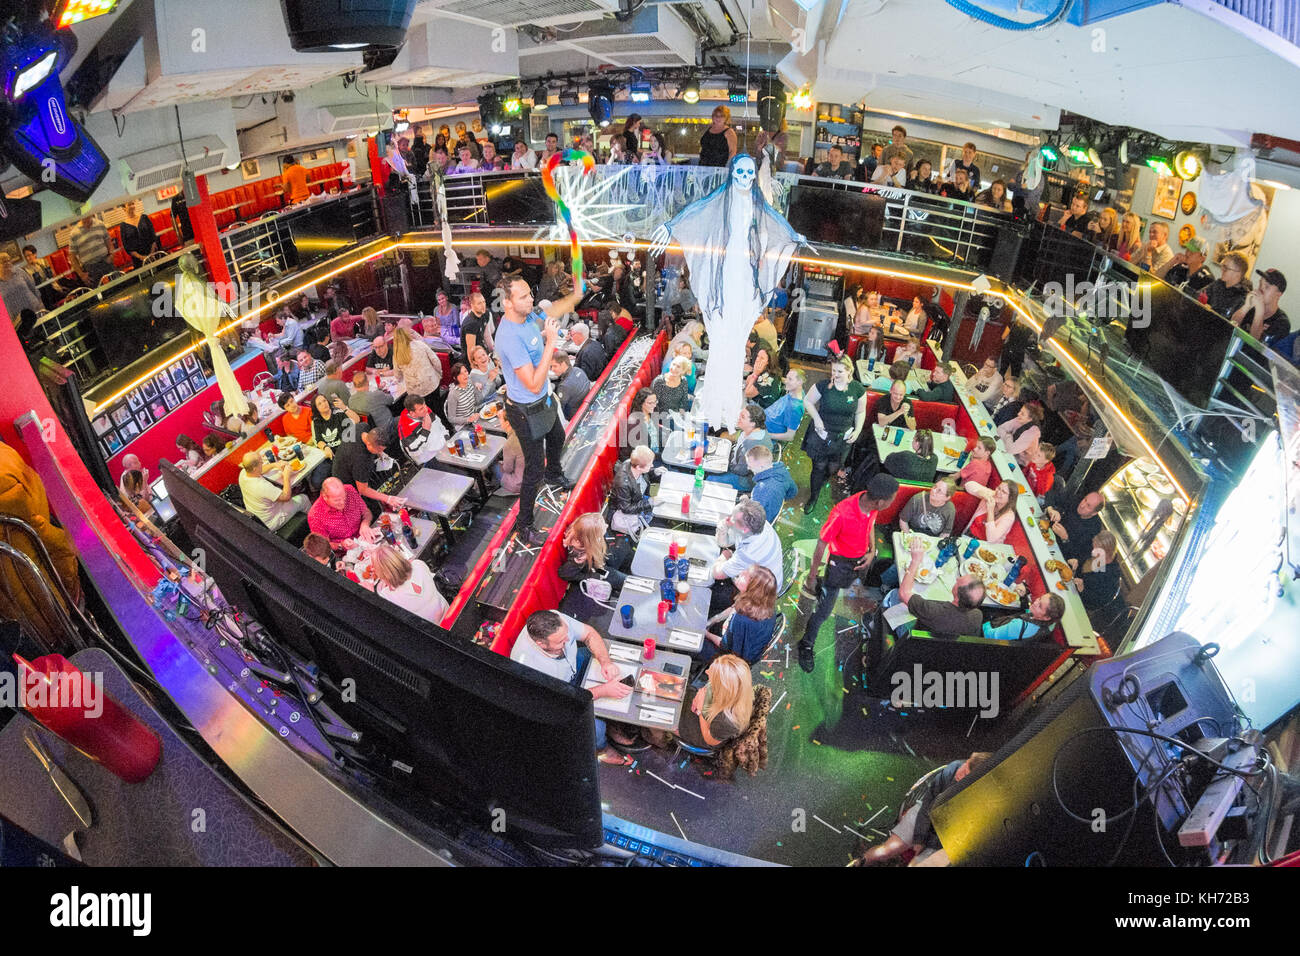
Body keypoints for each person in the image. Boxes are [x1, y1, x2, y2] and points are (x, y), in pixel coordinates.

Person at [496, 275, 585, 543]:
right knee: (534, 468)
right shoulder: (509, 337)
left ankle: (555, 475)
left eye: (529, 293)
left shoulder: (527, 317)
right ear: (507, 303)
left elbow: (551, 312)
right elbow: (533, 385)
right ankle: (524, 525)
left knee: (558, 437)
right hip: (525, 409)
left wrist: (570, 301)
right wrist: (550, 344)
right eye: (523, 296)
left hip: (543, 400)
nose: (530, 299)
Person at [797, 474, 900, 671]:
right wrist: (810, 577)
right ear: (880, 501)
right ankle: (806, 644)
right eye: (891, 500)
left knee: (848, 584)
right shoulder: (842, 513)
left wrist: (871, 551)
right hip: (840, 564)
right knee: (824, 611)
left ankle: (823, 582)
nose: (892, 503)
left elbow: (870, 523)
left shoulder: (870, 505)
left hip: (858, 560)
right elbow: (821, 544)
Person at [510, 609, 632, 763]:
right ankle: (601, 749)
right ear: (541, 644)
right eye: (561, 641)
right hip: (558, 697)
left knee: (604, 650)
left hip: (573, 665)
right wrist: (603, 690)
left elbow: (589, 634)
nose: (569, 639)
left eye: (567, 634)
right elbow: (564, 702)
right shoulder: (528, 668)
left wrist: (605, 662)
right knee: (596, 728)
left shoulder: (557, 620)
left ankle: (612, 721)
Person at [855, 753, 993, 866]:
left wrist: (927, 846)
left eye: (965, 775)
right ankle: (860, 862)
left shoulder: (981, 803)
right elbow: (927, 804)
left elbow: (960, 834)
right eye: (965, 765)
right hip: (925, 815)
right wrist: (919, 838)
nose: (960, 773)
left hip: (944, 837)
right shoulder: (953, 769)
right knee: (886, 851)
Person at [886, 535, 985, 639]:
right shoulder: (978, 616)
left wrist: (916, 561)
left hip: (914, 639)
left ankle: (878, 623)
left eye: (959, 581)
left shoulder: (933, 610)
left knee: (894, 594)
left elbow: (904, 593)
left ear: (957, 595)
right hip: (939, 647)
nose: (957, 579)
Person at [803, 358, 867, 514]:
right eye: (833, 371)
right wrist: (817, 419)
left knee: (833, 467)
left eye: (840, 371)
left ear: (849, 371)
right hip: (822, 434)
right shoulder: (823, 386)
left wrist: (857, 430)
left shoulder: (858, 389)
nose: (835, 374)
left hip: (842, 437)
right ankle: (814, 496)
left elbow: (860, 412)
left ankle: (823, 479)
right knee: (818, 467)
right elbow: (807, 401)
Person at [711, 500, 783, 611]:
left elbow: (717, 573)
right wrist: (725, 527)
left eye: (733, 518)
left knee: (715, 594)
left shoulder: (749, 553)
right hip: (766, 576)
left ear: (744, 529)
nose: (729, 519)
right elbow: (727, 542)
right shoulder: (759, 524)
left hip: (762, 593)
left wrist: (725, 555)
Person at [700, 566, 778, 666]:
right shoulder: (761, 602)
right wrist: (711, 621)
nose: (740, 574)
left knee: (693, 643)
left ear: (752, 588)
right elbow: (733, 608)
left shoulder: (742, 619)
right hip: (737, 640)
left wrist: (706, 634)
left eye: (744, 576)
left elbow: (725, 646)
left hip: (733, 661)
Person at [558, 512, 626, 619]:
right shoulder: (578, 556)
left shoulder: (581, 533)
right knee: (623, 582)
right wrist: (588, 577)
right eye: (603, 527)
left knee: (624, 580)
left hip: (598, 568)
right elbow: (564, 573)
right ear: (592, 538)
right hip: (594, 575)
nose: (607, 526)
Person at [369, 545, 449, 624]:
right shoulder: (419, 564)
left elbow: (380, 617)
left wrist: (370, 591)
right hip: (447, 611)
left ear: (381, 575)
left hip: (432, 628)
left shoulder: (386, 595)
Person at [237, 451, 309, 531]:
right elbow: (286, 497)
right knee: (303, 498)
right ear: (254, 468)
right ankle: (313, 525)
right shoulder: (261, 486)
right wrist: (286, 476)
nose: (263, 463)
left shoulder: (243, 473)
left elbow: (260, 470)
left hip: (259, 516)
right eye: (261, 462)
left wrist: (274, 465)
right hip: (271, 521)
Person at [393, 325, 446, 427]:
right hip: (431, 383)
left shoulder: (397, 354)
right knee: (438, 410)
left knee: (424, 415)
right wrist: (439, 373)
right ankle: (446, 430)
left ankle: (432, 434)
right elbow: (436, 361)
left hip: (415, 391)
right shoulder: (419, 344)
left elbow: (397, 375)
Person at [308, 477, 378, 549]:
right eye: (337, 500)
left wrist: (365, 524)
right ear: (325, 497)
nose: (342, 503)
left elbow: (366, 512)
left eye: (344, 497)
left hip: (365, 538)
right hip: (346, 553)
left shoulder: (349, 489)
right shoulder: (315, 515)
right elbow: (324, 545)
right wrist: (341, 545)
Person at [715, 404, 772, 492]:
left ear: (753, 423)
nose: (738, 418)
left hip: (745, 480)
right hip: (737, 464)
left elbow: (740, 471)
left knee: (710, 478)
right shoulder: (757, 430)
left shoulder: (751, 446)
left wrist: (723, 462)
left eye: (742, 417)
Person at [1073, 530, 1124, 626]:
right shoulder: (1095, 552)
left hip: (1081, 605)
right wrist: (1076, 561)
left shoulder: (1112, 575)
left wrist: (1082, 590)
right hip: (1070, 586)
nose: (1092, 551)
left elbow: (1098, 602)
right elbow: (1080, 557)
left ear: (1107, 553)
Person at [1231, 268, 1290, 347]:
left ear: (1279, 294)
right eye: (1260, 284)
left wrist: (1259, 311)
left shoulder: (1282, 323)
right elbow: (1231, 326)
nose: (1260, 289)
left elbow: (1255, 346)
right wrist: (1246, 307)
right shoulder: (1250, 304)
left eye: (1266, 287)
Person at [1045, 491, 1105, 568]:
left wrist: (1065, 538)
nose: (1082, 505)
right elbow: (1051, 494)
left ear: (1094, 513)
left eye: (1088, 506)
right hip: (1046, 531)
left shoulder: (1094, 529)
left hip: (1057, 552)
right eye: (1085, 500)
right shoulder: (1077, 499)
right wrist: (1051, 510)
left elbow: (1076, 556)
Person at [984, 593, 1065, 642]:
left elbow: (990, 635)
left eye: (1040, 606)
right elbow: (1028, 612)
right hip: (1006, 626)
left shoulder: (1019, 626)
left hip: (987, 634)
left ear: (1047, 617)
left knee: (978, 613)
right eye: (1039, 598)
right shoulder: (1050, 624)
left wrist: (985, 622)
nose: (1035, 602)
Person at [746, 444, 797, 523]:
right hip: (773, 512)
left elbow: (751, 519)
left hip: (763, 523)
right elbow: (794, 491)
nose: (748, 468)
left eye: (750, 465)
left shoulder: (760, 490)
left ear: (761, 467)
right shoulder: (781, 469)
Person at [397, 394, 449, 466]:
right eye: (421, 408)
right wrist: (425, 431)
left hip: (444, 447)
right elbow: (414, 451)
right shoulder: (405, 428)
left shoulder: (426, 410)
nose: (425, 409)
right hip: (430, 458)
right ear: (412, 413)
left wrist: (447, 439)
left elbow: (440, 426)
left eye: (425, 405)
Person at [311, 392, 361, 463]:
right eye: (319, 404)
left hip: (344, 452)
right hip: (329, 455)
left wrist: (344, 407)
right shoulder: (316, 421)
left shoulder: (338, 414)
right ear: (316, 408)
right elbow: (318, 440)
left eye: (324, 401)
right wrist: (325, 447)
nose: (324, 404)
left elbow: (357, 420)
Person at [966, 479, 1018, 544]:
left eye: (1003, 492)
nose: (998, 492)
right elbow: (968, 484)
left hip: (986, 547)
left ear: (1010, 499)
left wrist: (990, 511)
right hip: (968, 535)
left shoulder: (1009, 516)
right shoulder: (992, 494)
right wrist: (980, 493)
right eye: (999, 488)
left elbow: (991, 539)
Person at [68, 215, 115, 287]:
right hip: (90, 269)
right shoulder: (74, 233)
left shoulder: (100, 224)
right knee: (100, 295)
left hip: (106, 262)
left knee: (117, 287)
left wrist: (111, 255)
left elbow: (108, 241)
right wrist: (81, 275)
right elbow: (72, 257)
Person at [348, 372, 394, 442]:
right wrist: (381, 392)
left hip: (369, 432)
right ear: (367, 383)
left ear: (354, 386)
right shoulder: (375, 395)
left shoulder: (350, 401)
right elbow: (391, 400)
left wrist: (379, 390)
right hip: (387, 428)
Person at [1201, 252, 1249, 318]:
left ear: (1238, 273)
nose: (1222, 269)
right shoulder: (1218, 284)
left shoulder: (1243, 297)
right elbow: (1199, 296)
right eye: (1222, 266)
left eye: (1226, 268)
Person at [764, 369, 806, 442]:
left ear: (800, 382)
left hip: (766, 434)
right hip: (763, 420)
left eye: (790, 379)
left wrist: (766, 435)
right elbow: (785, 381)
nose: (786, 381)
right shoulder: (797, 391)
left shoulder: (795, 408)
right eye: (787, 378)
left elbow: (790, 436)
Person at [0, 252, 43, 318]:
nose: (8, 263)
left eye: (9, 260)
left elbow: (33, 288)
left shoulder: (19, 271)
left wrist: (41, 305)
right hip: (17, 320)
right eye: (4, 261)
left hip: (35, 310)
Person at [550, 350, 590, 420]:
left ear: (563, 364)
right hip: (584, 407)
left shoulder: (564, 386)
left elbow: (559, 410)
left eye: (555, 366)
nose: (552, 369)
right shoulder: (578, 370)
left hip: (573, 417)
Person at [651, 355, 691, 419]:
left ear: (683, 371)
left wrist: (682, 417)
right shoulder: (659, 381)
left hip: (676, 415)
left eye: (678, 366)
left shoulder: (683, 381)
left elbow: (684, 402)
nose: (674, 368)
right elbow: (653, 405)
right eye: (673, 364)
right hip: (661, 417)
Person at [623, 389, 660, 459]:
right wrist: (659, 456)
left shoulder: (653, 411)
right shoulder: (634, 423)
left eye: (655, 402)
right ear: (641, 403)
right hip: (646, 459)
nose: (654, 405)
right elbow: (640, 453)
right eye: (650, 403)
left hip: (656, 448)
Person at [120, 202, 159, 267]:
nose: (132, 206)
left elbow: (153, 236)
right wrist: (141, 257)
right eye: (129, 205)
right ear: (124, 208)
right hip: (138, 260)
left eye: (133, 204)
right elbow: (127, 246)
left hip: (153, 254)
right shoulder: (123, 226)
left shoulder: (144, 217)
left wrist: (152, 253)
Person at [445, 362, 481, 430]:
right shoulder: (453, 394)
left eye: (465, 371)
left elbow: (476, 401)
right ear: (455, 378)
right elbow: (451, 418)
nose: (465, 375)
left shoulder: (470, 383)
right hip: (463, 426)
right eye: (461, 374)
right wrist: (468, 419)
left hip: (474, 419)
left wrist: (476, 387)